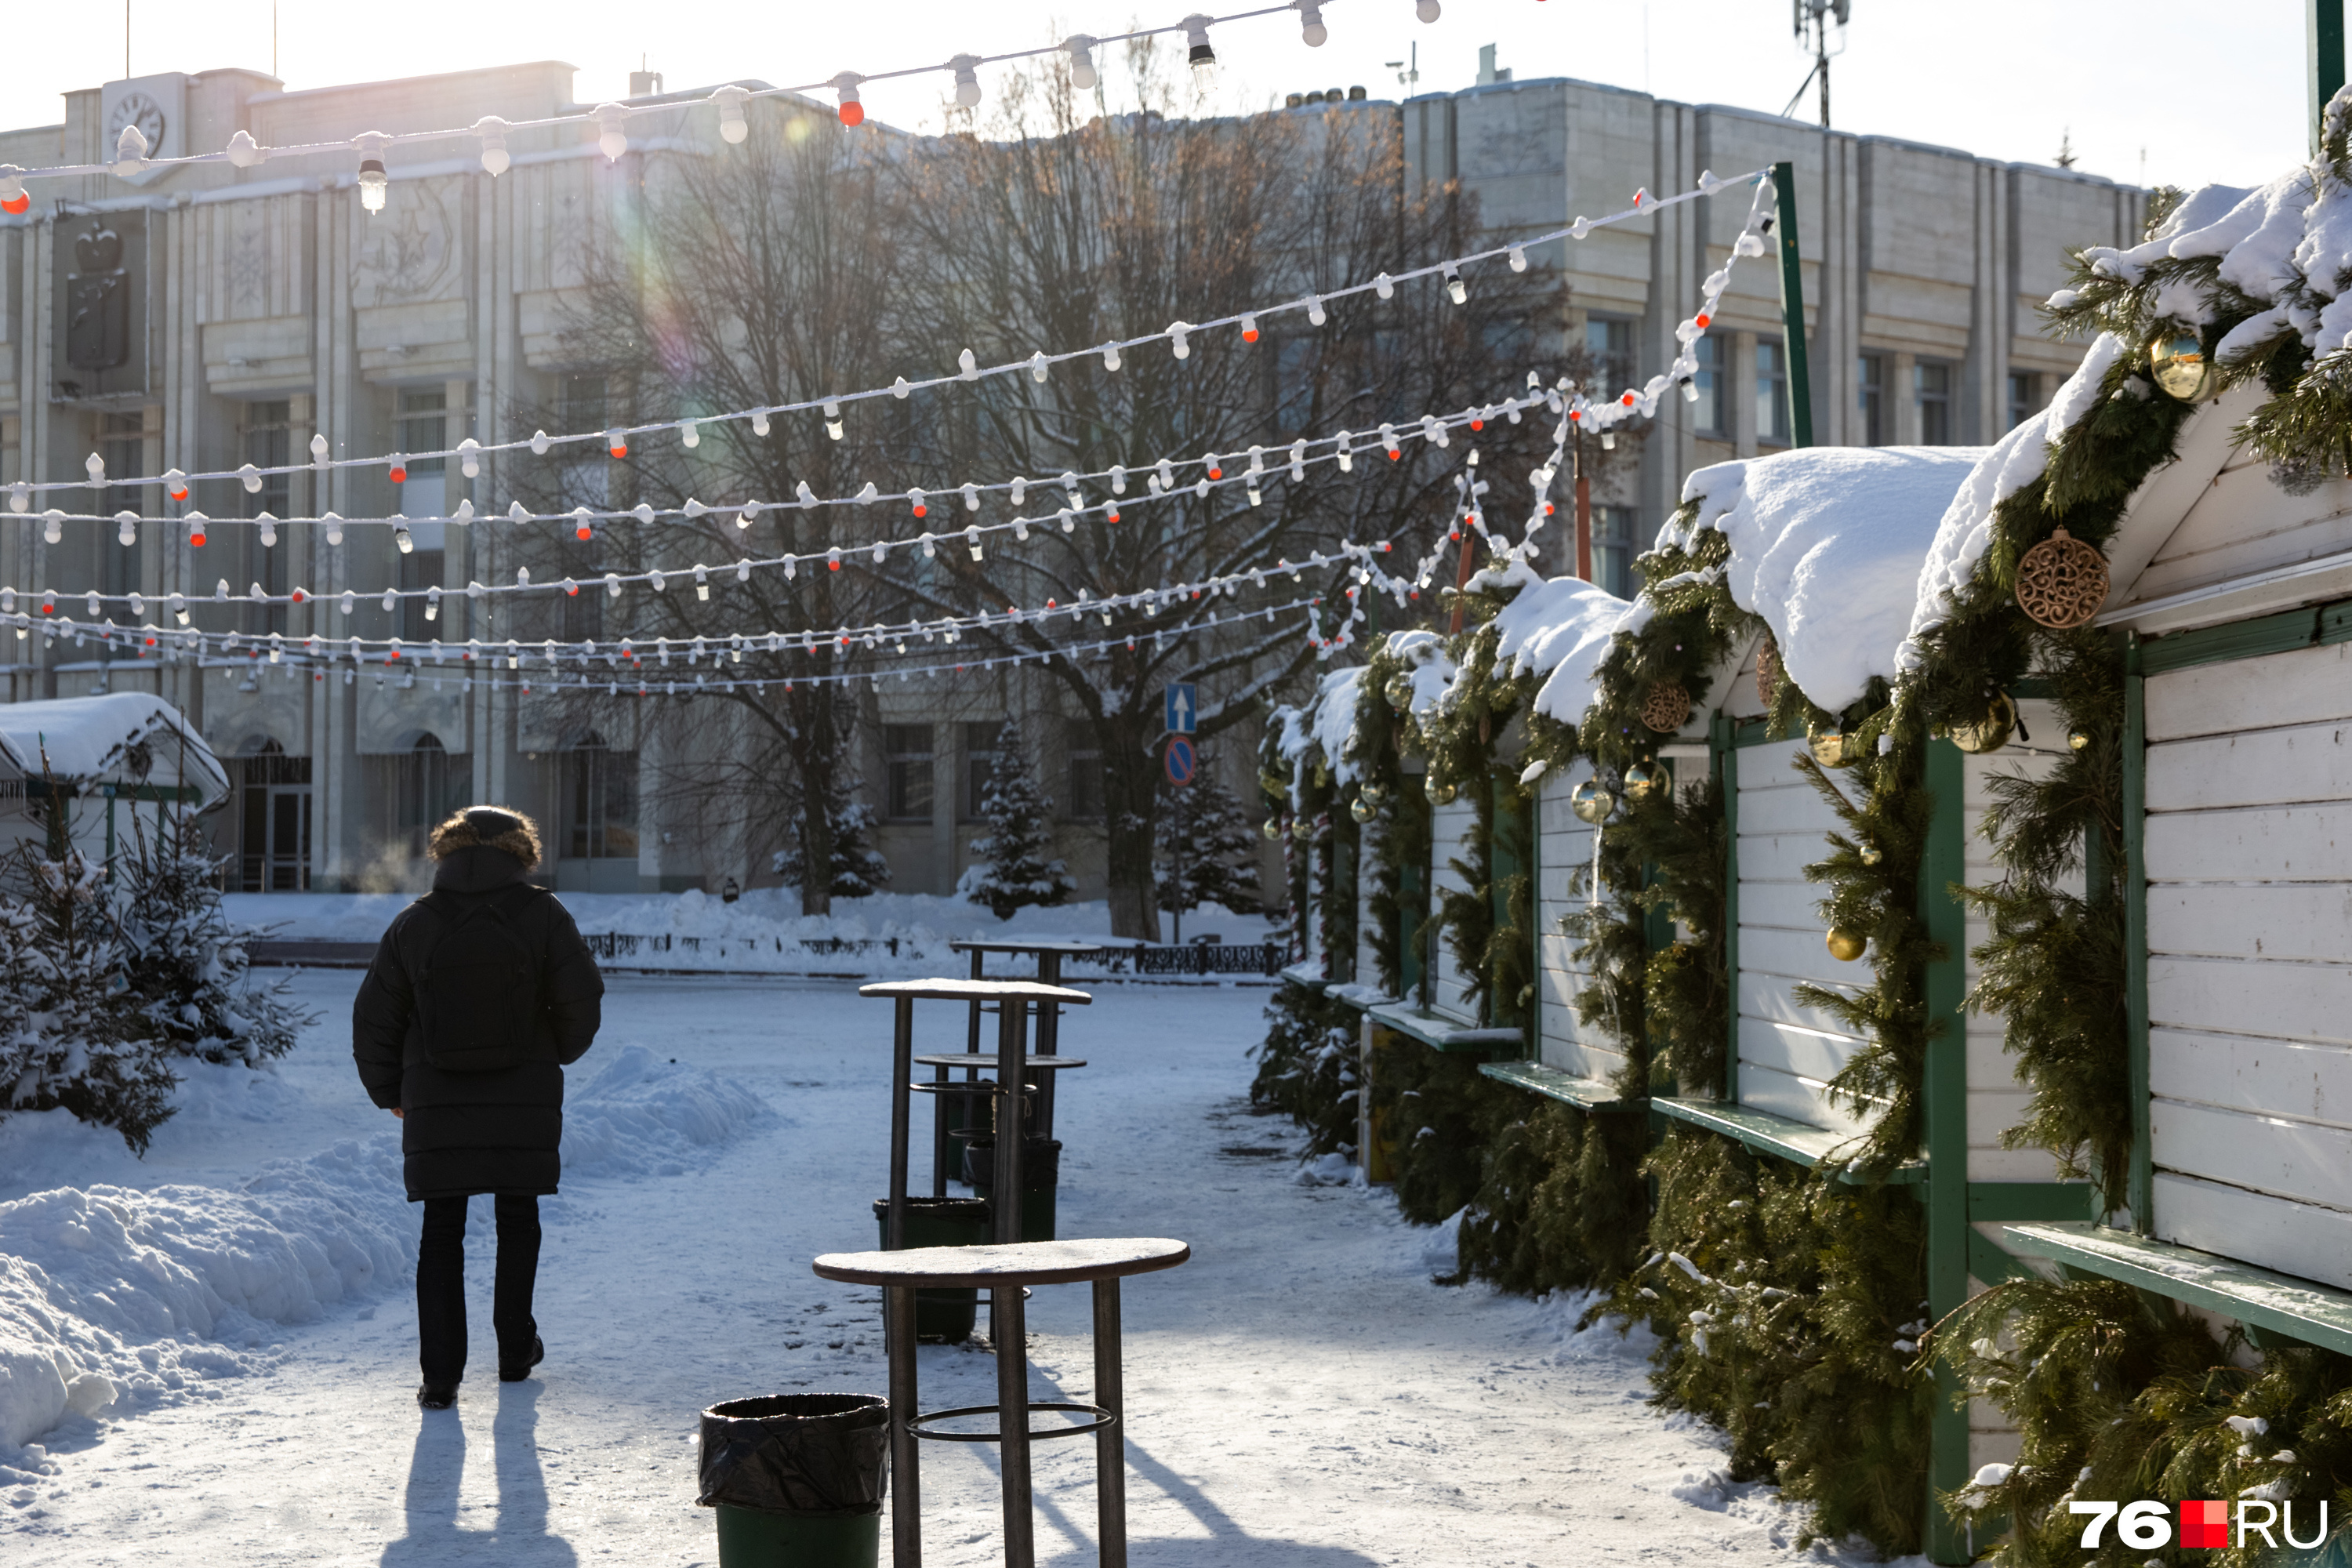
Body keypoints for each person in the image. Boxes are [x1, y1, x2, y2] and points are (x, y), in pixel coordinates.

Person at [353, 806, 603, 1410]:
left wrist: (393, 1094)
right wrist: (552, 1054)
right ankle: (515, 1351)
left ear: (448, 853)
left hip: (435, 1102)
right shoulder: (544, 915)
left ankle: (440, 1376)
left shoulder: (415, 924)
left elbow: (374, 1019)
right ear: (520, 853)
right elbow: (582, 1002)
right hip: (524, 1098)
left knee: (442, 1229)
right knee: (518, 1217)